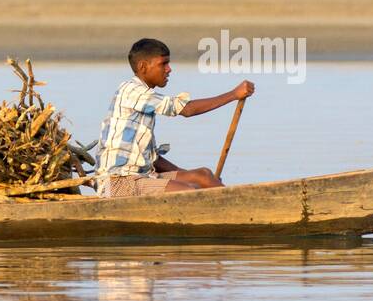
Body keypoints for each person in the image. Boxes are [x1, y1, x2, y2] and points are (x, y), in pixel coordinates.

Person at [95, 38, 255, 197]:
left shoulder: (145, 101)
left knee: (203, 176)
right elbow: (187, 110)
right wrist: (234, 94)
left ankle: (239, 206)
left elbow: (153, 160)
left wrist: (189, 176)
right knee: (188, 193)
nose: (169, 69)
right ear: (142, 67)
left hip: (142, 176)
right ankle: (233, 210)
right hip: (117, 183)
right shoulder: (132, 91)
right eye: (163, 64)